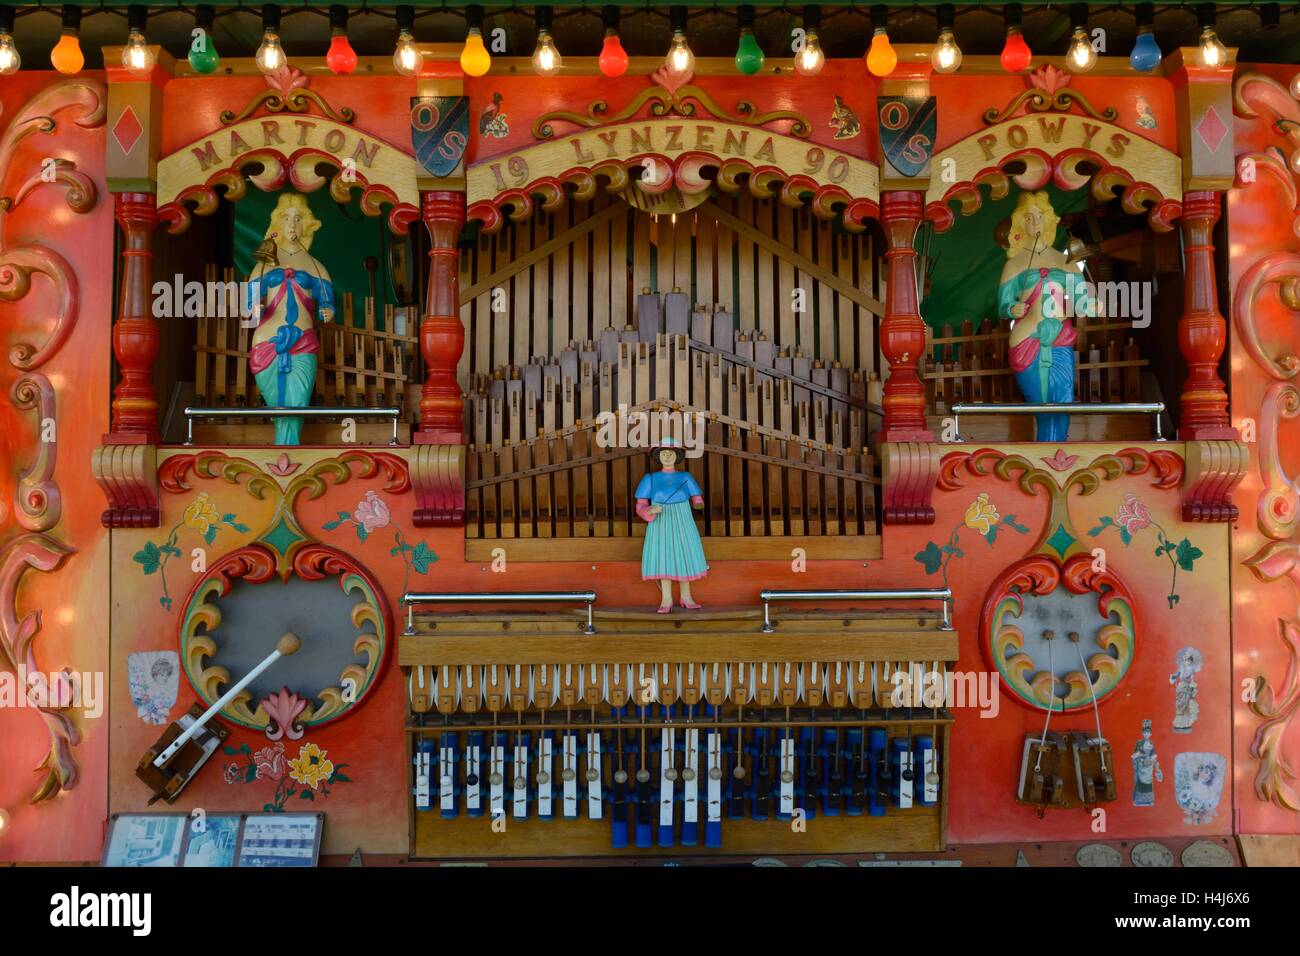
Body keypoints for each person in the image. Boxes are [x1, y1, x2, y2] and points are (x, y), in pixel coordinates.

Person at [997, 191, 1094, 442]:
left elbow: (1081, 299)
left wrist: (1090, 304)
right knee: (1040, 403)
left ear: (1049, 220)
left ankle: (1056, 451)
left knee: (1062, 399)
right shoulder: (1015, 264)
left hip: (1060, 337)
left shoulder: (1066, 261)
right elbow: (1003, 303)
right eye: (1028, 217)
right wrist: (1011, 309)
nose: (1034, 222)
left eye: (1039, 216)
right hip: (1026, 338)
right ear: (1021, 223)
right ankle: (1046, 452)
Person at [247, 193, 336, 445]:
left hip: (303, 340)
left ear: (305, 224)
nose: (292, 224)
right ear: (278, 222)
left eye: (298, 218)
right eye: (287, 217)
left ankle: (288, 449)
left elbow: (327, 302)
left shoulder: (315, 265)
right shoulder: (266, 262)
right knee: (277, 404)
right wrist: (251, 307)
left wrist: (328, 311)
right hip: (267, 341)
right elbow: (250, 300)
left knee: (296, 403)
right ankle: (284, 448)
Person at [635, 438, 708, 613]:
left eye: (671, 453)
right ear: (658, 456)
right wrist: (649, 510)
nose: (667, 456)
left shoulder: (685, 477)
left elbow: (697, 498)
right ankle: (666, 598)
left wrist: (698, 502)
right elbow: (640, 504)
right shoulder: (650, 478)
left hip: (682, 517)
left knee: (685, 553)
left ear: (677, 456)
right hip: (661, 519)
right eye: (664, 453)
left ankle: (686, 596)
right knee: (663, 554)